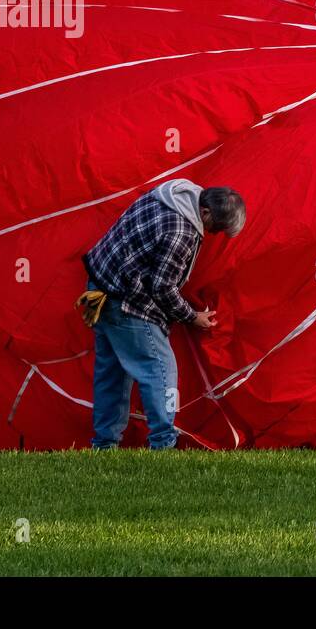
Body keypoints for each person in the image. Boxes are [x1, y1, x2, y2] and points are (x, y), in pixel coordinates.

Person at [77, 180, 245, 449]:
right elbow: (162, 288)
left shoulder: (173, 193)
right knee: (161, 371)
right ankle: (163, 443)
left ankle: (104, 445)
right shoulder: (181, 231)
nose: (214, 234)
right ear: (205, 213)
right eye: (217, 229)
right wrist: (192, 316)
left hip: (100, 288)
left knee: (112, 374)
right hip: (126, 302)